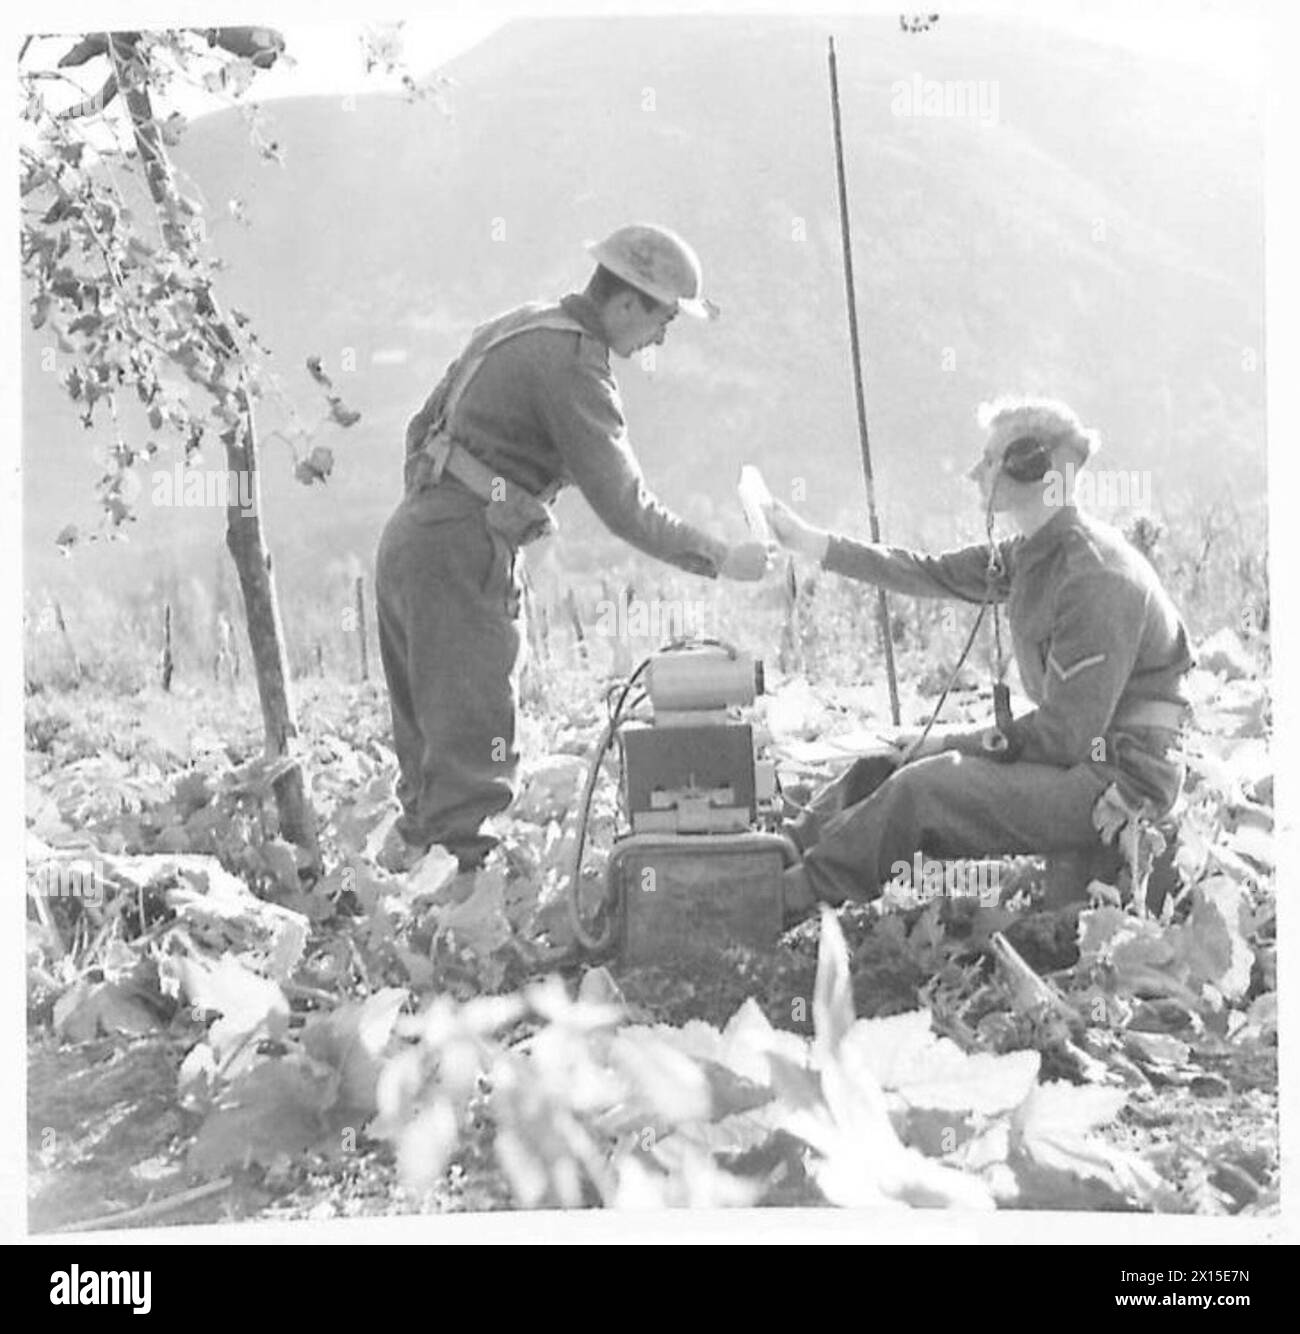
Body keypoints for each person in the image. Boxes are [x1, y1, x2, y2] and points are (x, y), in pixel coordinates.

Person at [375, 223, 771, 878]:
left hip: (412, 536)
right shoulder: (577, 365)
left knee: (428, 763)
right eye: (663, 319)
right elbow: (627, 507)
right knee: (474, 758)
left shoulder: (522, 325)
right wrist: (723, 558)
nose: (661, 338)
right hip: (460, 550)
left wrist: (453, 510)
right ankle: (468, 930)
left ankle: (414, 912)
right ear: (627, 303)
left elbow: (422, 427)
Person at [764, 397, 1193, 918]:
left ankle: (784, 900)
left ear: (1030, 464)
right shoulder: (1036, 552)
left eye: (989, 459)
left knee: (924, 787)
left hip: (1115, 781)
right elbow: (925, 571)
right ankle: (776, 853)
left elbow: (1063, 739)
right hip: (1083, 757)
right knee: (885, 764)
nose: (975, 472)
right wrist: (810, 543)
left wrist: (947, 742)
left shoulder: (1096, 578)